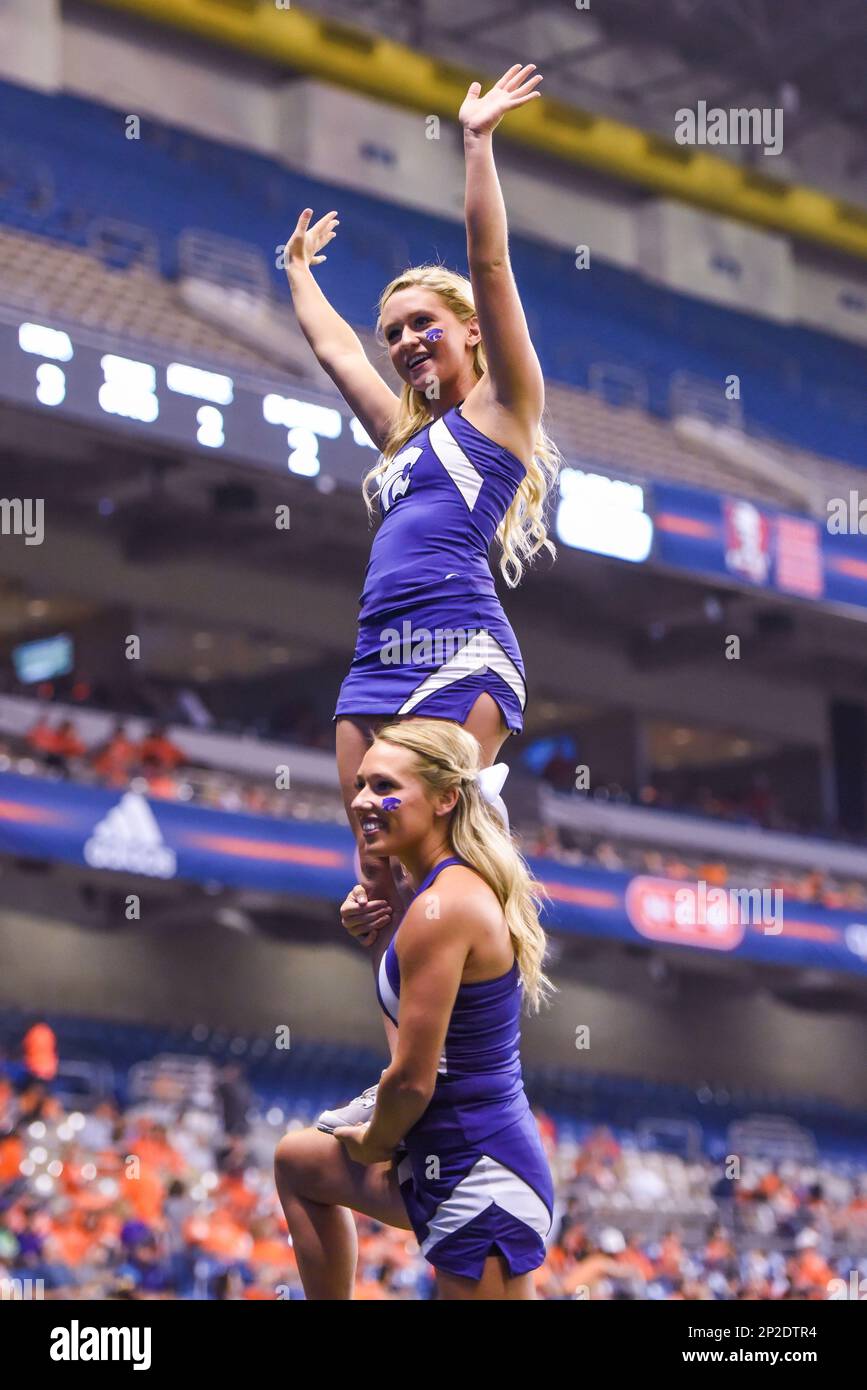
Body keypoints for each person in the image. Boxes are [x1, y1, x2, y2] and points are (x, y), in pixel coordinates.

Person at [284, 62, 561, 1126]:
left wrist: (478, 141)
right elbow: (331, 349)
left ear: (470, 335)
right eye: (395, 328)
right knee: (380, 883)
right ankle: (408, 1072)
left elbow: (489, 259)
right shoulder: (402, 439)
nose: (404, 341)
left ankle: (459, 1086)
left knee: (437, 867)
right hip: (373, 659)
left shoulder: (502, 409)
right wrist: (298, 269)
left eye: (422, 324)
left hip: (456, 648)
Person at [274, 719, 556, 1300]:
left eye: (383, 787)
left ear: (447, 797)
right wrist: (378, 932)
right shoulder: (428, 898)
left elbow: (411, 1082)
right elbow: (409, 1024)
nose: (360, 801)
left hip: (480, 1179)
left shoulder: (444, 908)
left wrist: (374, 1139)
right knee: (299, 1162)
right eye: (360, 786)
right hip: (437, 1158)